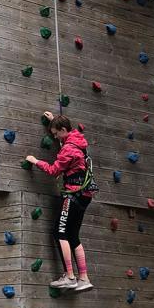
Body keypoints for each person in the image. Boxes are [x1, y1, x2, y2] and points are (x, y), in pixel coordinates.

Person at [25, 111, 96, 292]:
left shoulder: (68, 150)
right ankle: (84, 278)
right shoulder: (77, 139)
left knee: (59, 232)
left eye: (56, 133)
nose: (54, 137)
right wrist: (53, 120)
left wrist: (35, 161)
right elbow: (65, 140)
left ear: (63, 130)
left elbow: (53, 170)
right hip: (85, 195)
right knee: (73, 235)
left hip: (72, 194)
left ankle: (69, 276)